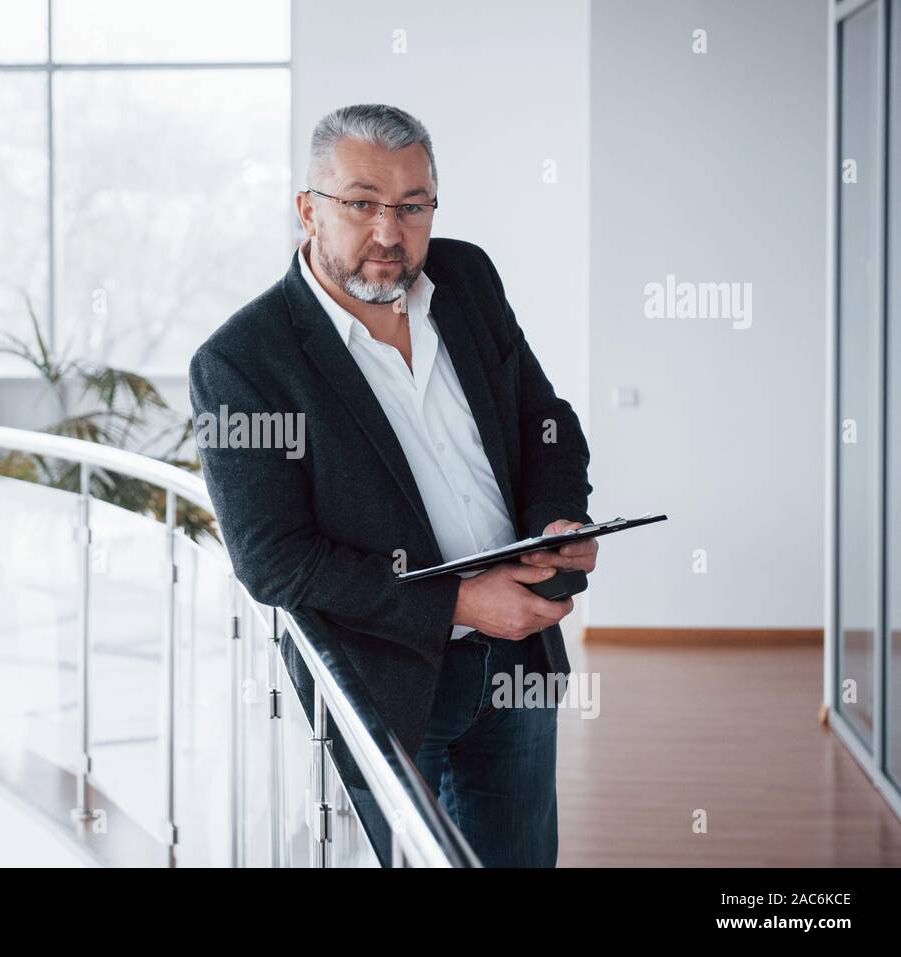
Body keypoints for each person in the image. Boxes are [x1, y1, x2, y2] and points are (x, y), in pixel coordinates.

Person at [188, 104, 596, 867]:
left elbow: (545, 418)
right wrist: (463, 602)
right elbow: (275, 559)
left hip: (518, 658)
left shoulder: (466, 277)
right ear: (308, 209)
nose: (389, 232)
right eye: (362, 202)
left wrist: (556, 521)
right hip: (388, 686)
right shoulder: (243, 360)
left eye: (413, 206)